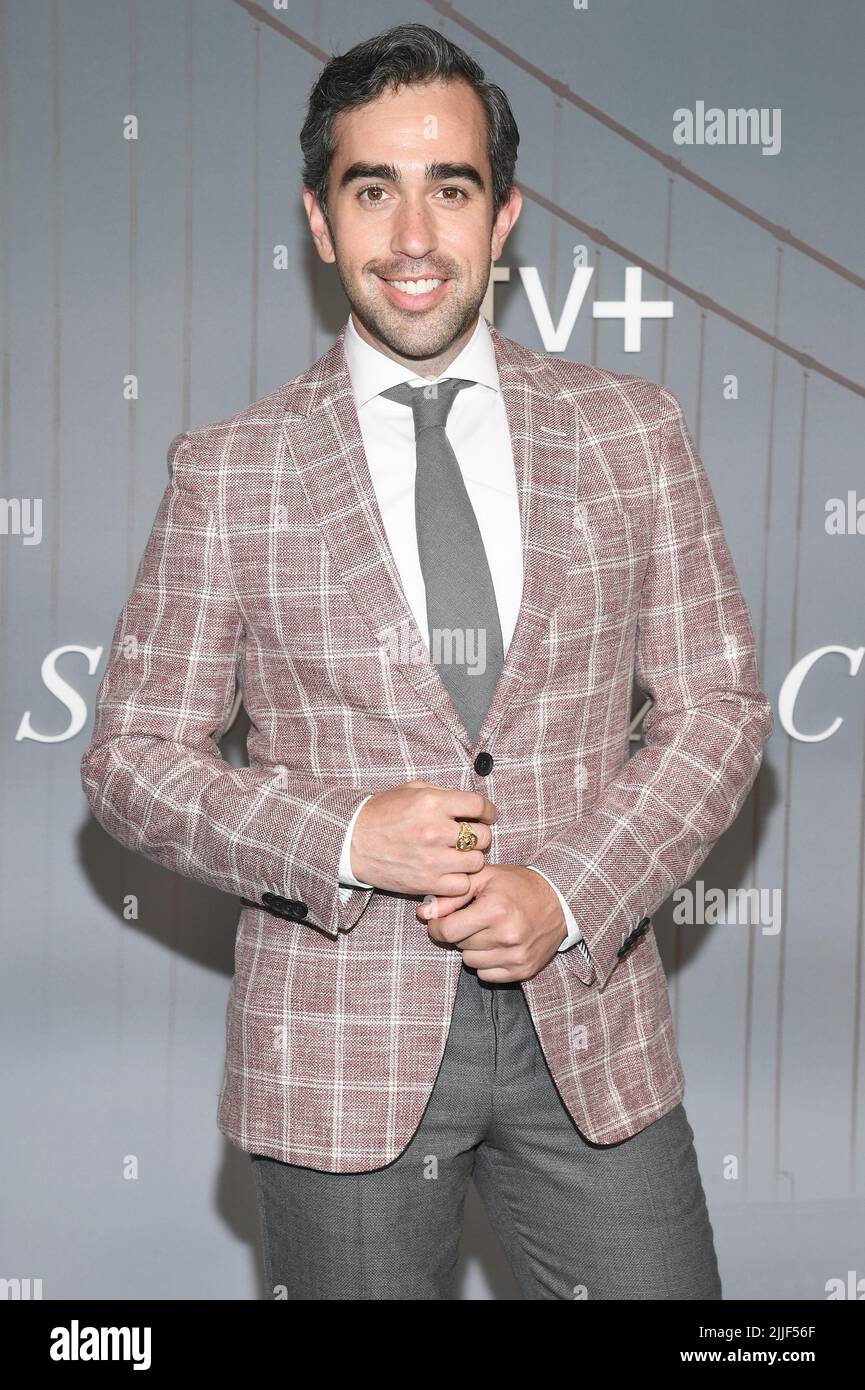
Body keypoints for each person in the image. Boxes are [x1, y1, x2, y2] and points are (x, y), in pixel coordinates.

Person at [80, 22, 774, 1299]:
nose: (412, 236)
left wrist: (565, 891)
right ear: (318, 215)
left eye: (449, 187)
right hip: (336, 1052)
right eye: (371, 188)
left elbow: (718, 709)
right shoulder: (230, 470)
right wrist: (346, 838)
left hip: (591, 1024)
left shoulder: (634, 434)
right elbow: (128, 762)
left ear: (503, 213)